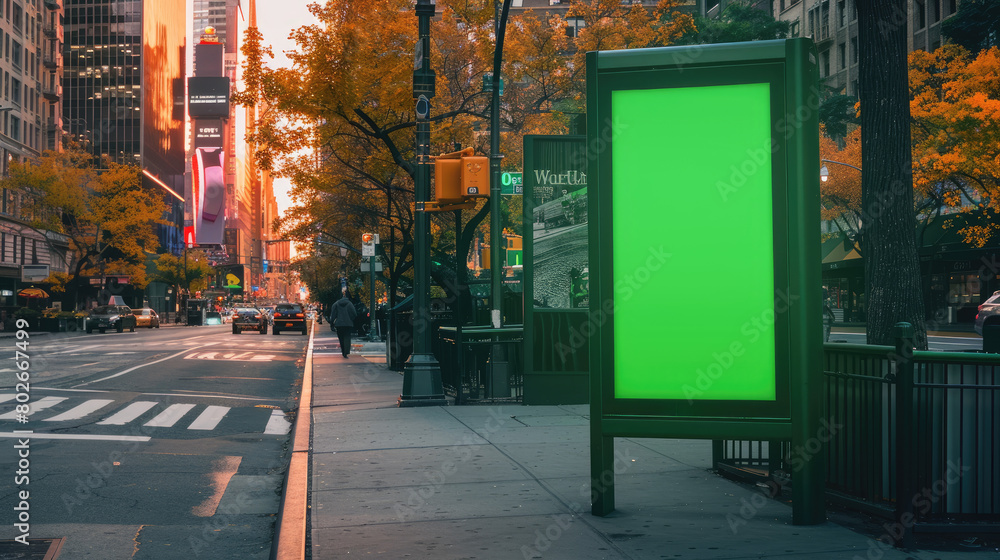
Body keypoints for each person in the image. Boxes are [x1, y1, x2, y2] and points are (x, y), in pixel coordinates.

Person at [329, 289, 357, 358]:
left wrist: (332, 324)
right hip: (348, 324)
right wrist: (351, 319)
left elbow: (333, 315)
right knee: (347, 337)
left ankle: (343, 351)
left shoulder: (336, 304)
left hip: (339, 324)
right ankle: (346, 351)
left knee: (341, 338)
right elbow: (354, 314)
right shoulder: (350, 304)